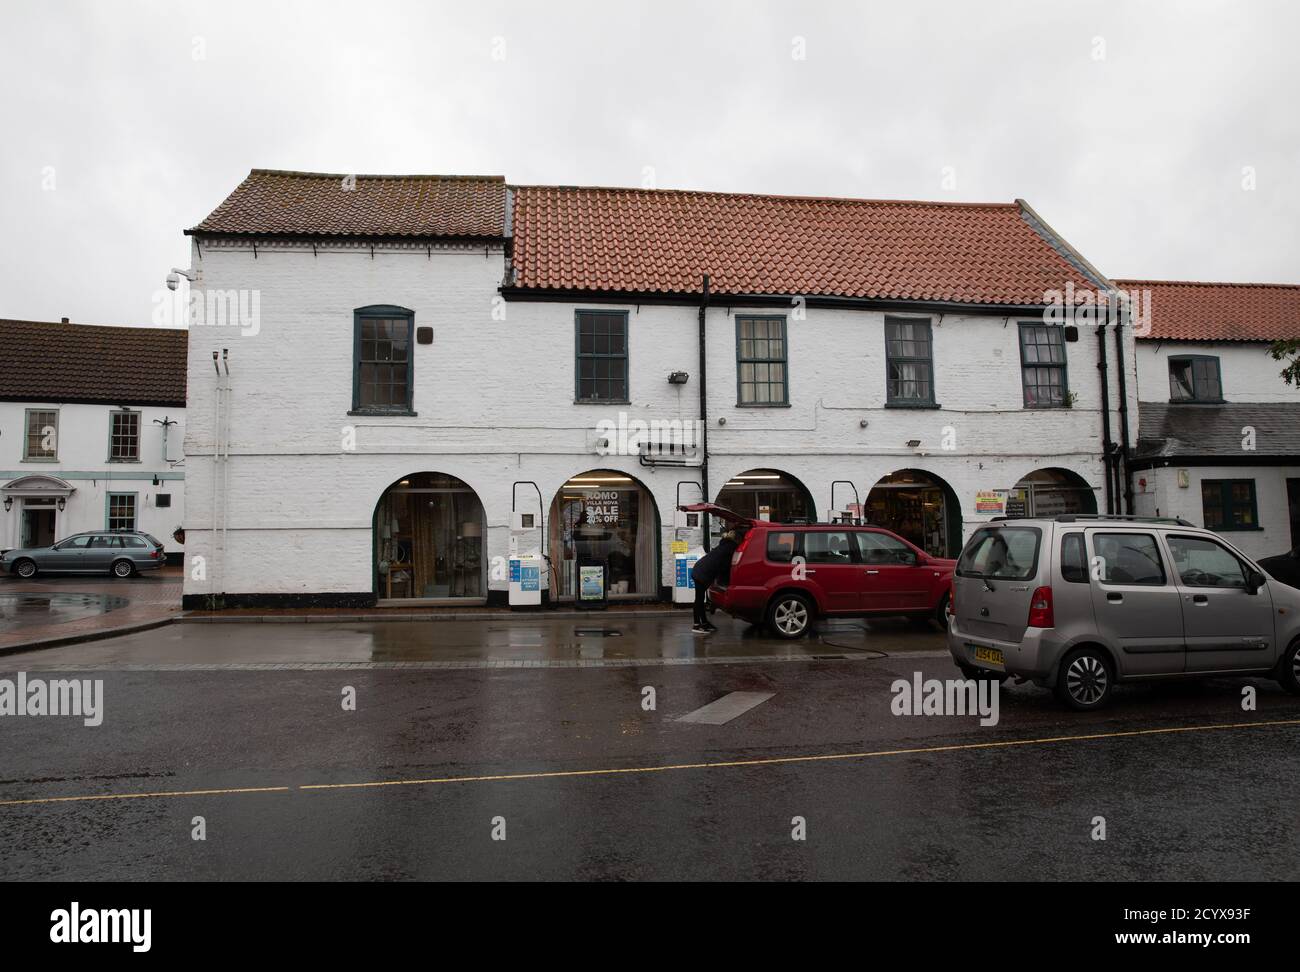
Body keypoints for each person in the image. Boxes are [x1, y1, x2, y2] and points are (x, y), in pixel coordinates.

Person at [690, 529, 740, 634]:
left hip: (700, 568)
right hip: (702, 573)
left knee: (700, 599)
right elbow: (725, 568)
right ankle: (696, 625)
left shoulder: (724, 545)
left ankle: (703, 623)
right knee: (699, 599)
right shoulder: (730, 549)